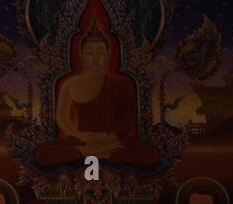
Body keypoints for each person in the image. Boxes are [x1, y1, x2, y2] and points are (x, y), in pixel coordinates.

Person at [34, 21, 160, 168]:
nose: (95, 58)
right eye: (89, 53)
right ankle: (99, 152)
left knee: (150, 154)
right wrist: (81, 136)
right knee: (42, 153)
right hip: (82, 138)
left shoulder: (120, 83)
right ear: (81, 55)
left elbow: (130, 117)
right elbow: (62, 117)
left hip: (113, 139)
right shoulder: (70, 84)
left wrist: (111, 137)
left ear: (108, 55)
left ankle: (95, 151)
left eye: (100, 53)